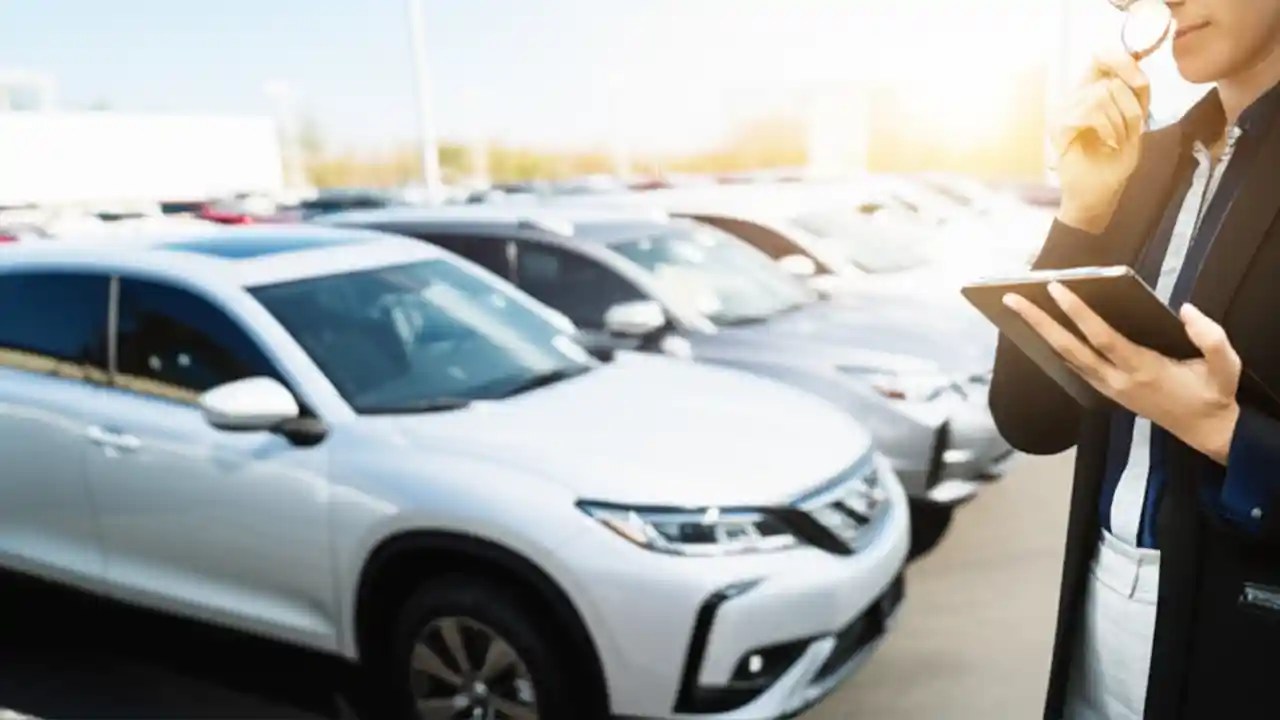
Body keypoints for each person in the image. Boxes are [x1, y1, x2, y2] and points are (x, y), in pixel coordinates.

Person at [989, 1, 1280, 718]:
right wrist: (1081, 217)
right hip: (1096, 629)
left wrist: (1226, 433)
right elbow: (1030, 419)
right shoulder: (1142, 164)